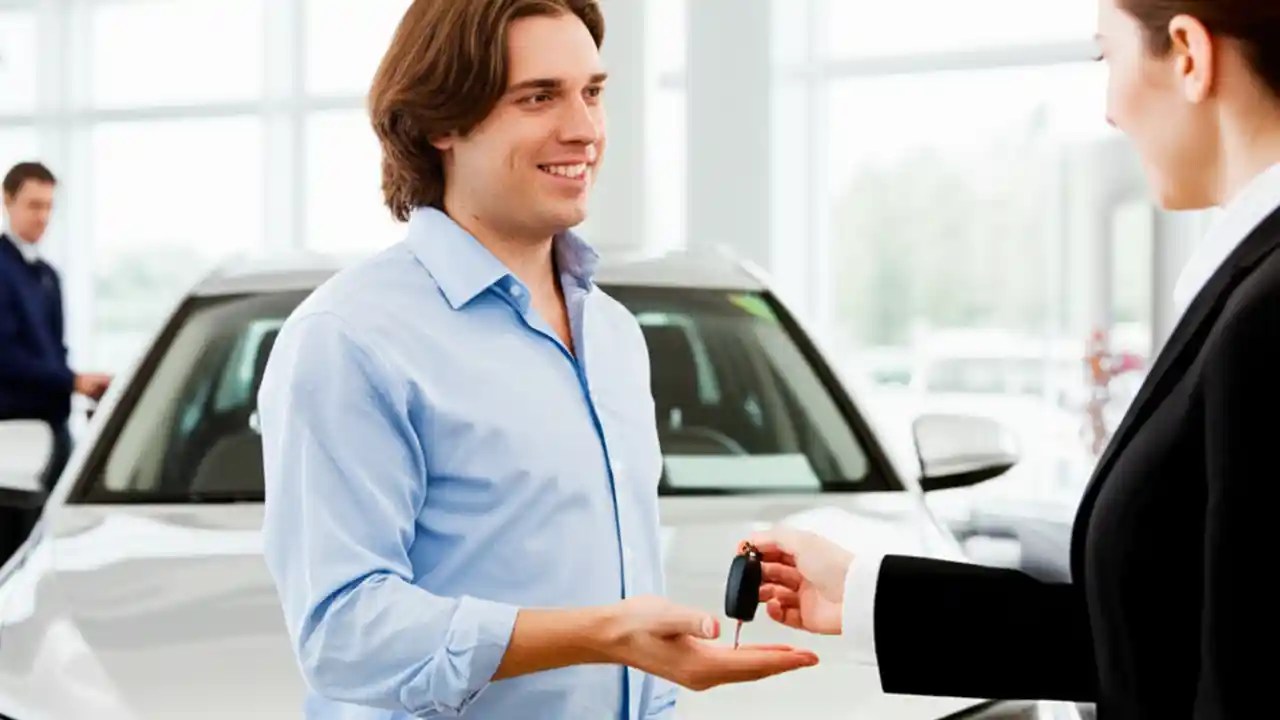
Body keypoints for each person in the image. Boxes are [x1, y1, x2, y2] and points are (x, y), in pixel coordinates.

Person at [256, 1, 817, 719]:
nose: (583, 128)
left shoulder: (614, 335)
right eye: (538, 97)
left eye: (592, 92)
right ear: (439, 122)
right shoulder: (351, 338)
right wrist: (602, 635)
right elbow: (342, 634)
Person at [744, 0, 1280, 717]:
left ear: (1188, 53)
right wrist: (862, 589)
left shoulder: (1268, 309)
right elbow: (1152, 636)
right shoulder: (1245, 285)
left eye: (1106, 57)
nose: (1110, 110)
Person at [0, 162, 111, 490]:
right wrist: (72, 381)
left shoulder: (47, 275)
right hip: (15, 431)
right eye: (34, 205)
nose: (43, 217)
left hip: (53, 422)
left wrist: (75, 381)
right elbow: (4, 355)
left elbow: (54, 351)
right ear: (7, 200)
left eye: (49, 206)